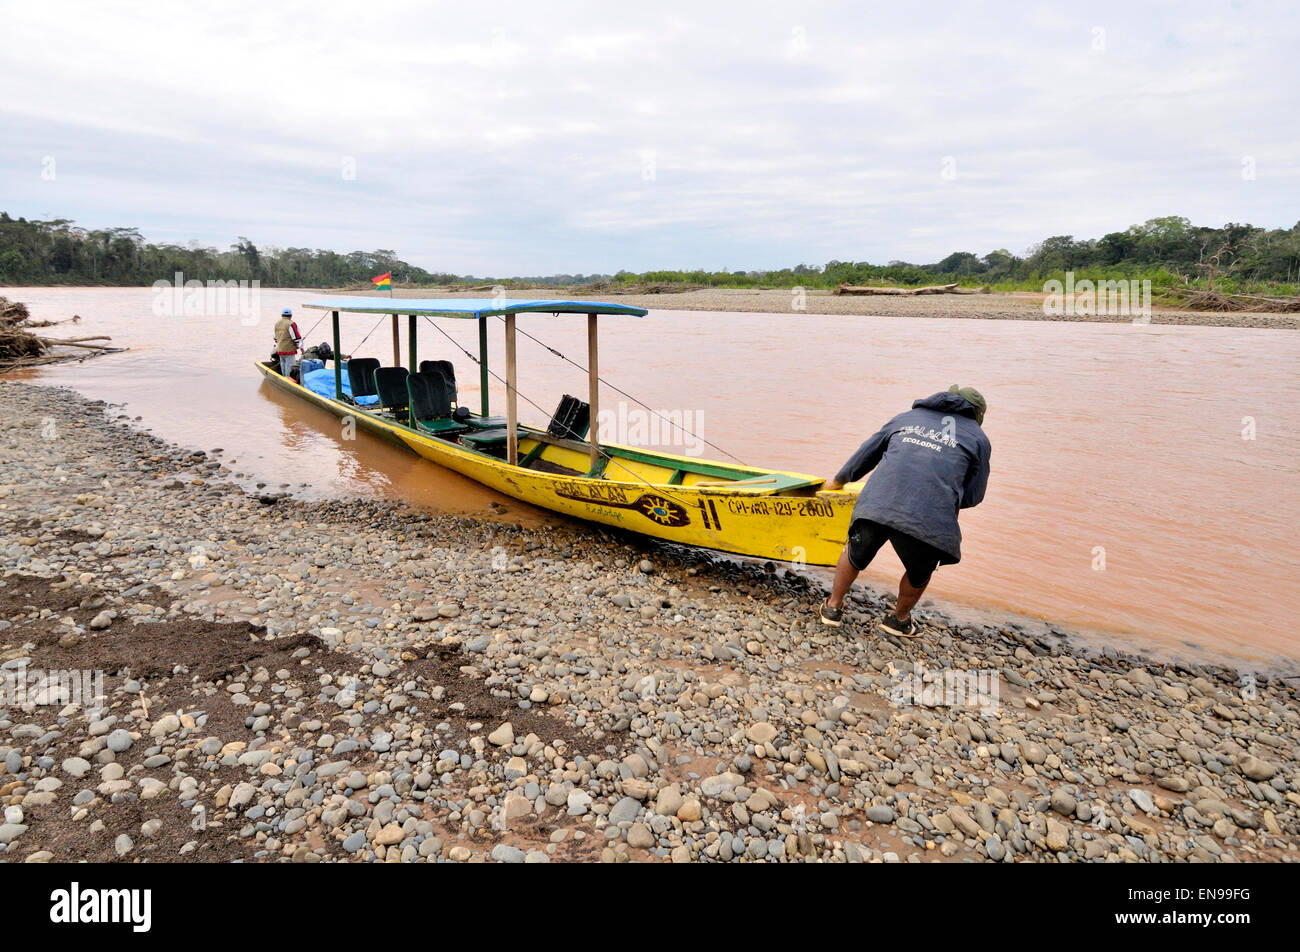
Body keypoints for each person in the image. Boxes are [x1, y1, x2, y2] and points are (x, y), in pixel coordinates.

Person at [819, 385, 991, 637]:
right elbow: (975, 495)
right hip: (926, 518)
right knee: (919, 571)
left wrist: (837, 481)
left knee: (855, 551)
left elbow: (865, 455)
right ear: (978, 415)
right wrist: (944, 497)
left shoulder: (906, 418)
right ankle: (898, 620)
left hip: (876, 503)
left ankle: (832, 608)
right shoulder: (978, 439)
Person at [273, 309, 302, 376]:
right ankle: (288, 381)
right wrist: (300, 347)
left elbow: (275, 338)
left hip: (280, 350)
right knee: (290, 369)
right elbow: (297, 338)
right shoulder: (291, 324)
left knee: (283, 366)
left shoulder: (277, 324)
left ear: (282, 315)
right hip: (289, 350)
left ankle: (284, 380)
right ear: (291, 316)